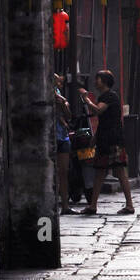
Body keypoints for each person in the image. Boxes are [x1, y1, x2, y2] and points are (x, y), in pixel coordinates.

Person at [79, 70, 135, 216]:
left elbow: (98, 111)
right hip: (106, 139)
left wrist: (86, 99)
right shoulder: (105, 96)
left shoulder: (109, 96)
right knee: (100, 172)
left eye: (98, 79)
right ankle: (93, 205)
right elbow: (105, 121)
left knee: (119, 172)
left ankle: (129, 205)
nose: (95, 82)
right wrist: (96, 137)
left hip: (112, 140)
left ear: (104, 81)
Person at [53, 73, 78, 215]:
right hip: (52, 136)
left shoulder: (59, 95)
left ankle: (65, 206)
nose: (59, 84)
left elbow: (68, 116)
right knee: (54, 172)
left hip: (62, 135)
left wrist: (63, 103)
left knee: (63, 171)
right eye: (57, 81)